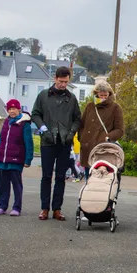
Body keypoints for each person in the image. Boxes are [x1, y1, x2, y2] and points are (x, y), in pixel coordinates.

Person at [31, 66, 81, 221]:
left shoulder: (71, 98)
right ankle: (44, 208)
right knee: (46, 176)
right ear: (55, 79)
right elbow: (35, 114)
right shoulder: (43, 96)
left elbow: (77, 119)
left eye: (66, 82)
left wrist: (72, 133)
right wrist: (43, 128)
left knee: (61, 177)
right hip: (47, 141)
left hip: (64, 142)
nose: (63, 85)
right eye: (61, 81)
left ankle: (57, 209)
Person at [0, 98, 33, 216]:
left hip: (16, 159)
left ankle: (16, 207)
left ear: (19, 109)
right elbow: (1, 139)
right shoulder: (6, 122)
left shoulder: (24, 124)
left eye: (14, 109)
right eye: (10, 109)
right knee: (4, 184)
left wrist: (28, 159)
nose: (12, 111)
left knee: (16, 184)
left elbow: (28, 143)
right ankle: (2, 206)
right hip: (4, 159)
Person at [78, 79, 125, 173]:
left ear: (109, 94)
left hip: (103, 150)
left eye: (105, 95)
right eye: (101, 95)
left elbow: (120, 130)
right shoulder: (90, 106)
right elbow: (82, 125)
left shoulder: (115, 108)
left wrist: (107, 137)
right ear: (96, 93)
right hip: (87, 149)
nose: (103, 98)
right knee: (88, 180)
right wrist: (82, 137)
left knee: (101, 181)